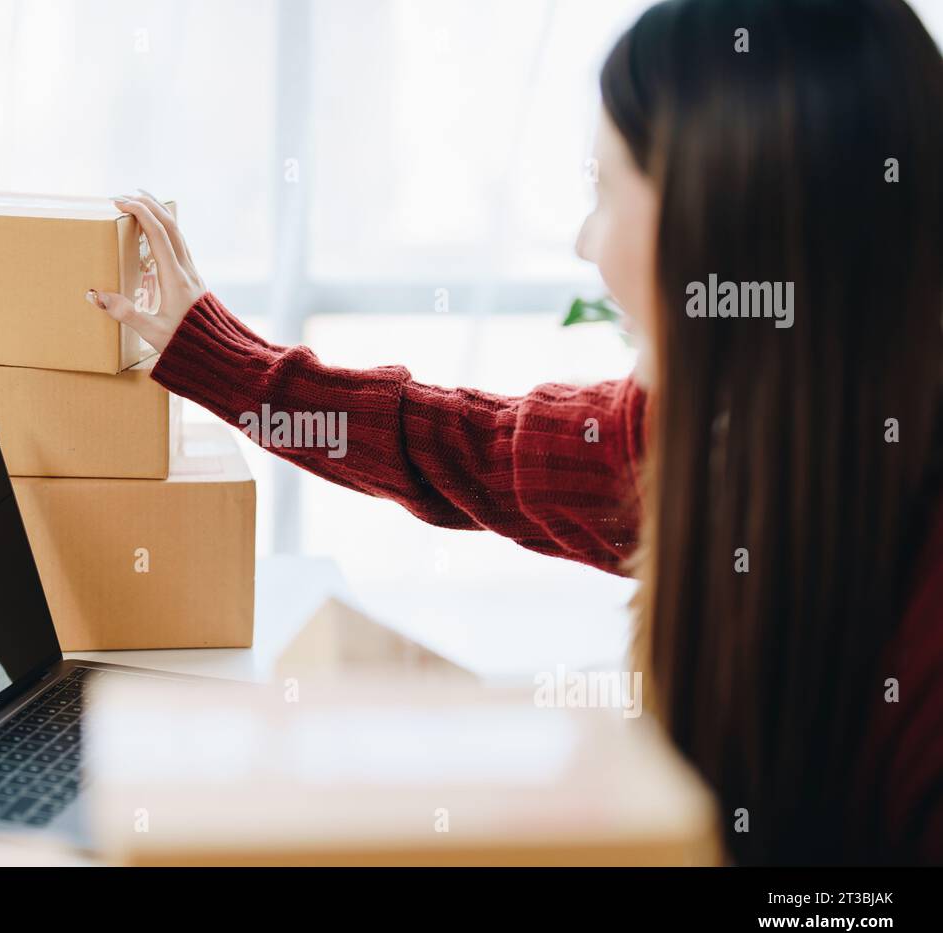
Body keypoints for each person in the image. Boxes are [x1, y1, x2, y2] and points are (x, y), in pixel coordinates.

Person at [86, 0, 943, 865]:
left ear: (729, 220)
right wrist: (222, 359)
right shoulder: (711, 438)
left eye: (605, 190)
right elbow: (465, 446)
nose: (583, 243)